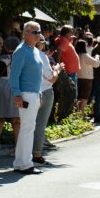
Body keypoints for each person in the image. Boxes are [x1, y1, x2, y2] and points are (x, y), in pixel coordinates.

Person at [9, 21, 44, 175]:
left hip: (33, 93)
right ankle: (25, 164)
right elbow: (14, 74)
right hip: (26, 94)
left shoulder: (33, 50)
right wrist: (16, 93)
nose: (39, 35)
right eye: (35, 32)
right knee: (27, 129)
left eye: (39, 32)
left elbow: (36, 75)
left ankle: (20, 162)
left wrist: (40, 93)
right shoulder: (21, 50)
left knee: (27, 128)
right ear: (26, 33)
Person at [0, 35, 20, 154]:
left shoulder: (1, 59)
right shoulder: (21, 59)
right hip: (16, 86)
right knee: (16, 119)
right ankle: (18, 146)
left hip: (1, 86)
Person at [32, 37, 61, 166]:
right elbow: (51, 78)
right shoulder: (42, 56)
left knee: (26, 124)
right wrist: (57, 69)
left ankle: (23, 153)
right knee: (40, 125)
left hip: (29, 90)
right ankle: (37, 155)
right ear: (42, 44)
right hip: (44, 91)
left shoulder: (23, 53)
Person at [55, 25, 80, 95]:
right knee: (72, 93)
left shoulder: (64, 39)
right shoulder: (64, 41)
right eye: (71, 31)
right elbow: (59, 50)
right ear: (66, 33)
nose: (73, 33)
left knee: (71, 92)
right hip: (69, 71)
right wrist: (58, 63)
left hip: (70, 71)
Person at [75, 39, 99, 113]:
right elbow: (96, 64)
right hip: (86, 79)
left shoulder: (76, 55)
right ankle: (81, 116)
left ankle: (77, 115)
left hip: (77, 78)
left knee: (78, 98)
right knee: (84, 98)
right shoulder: (85, 55)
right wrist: (97, 57)